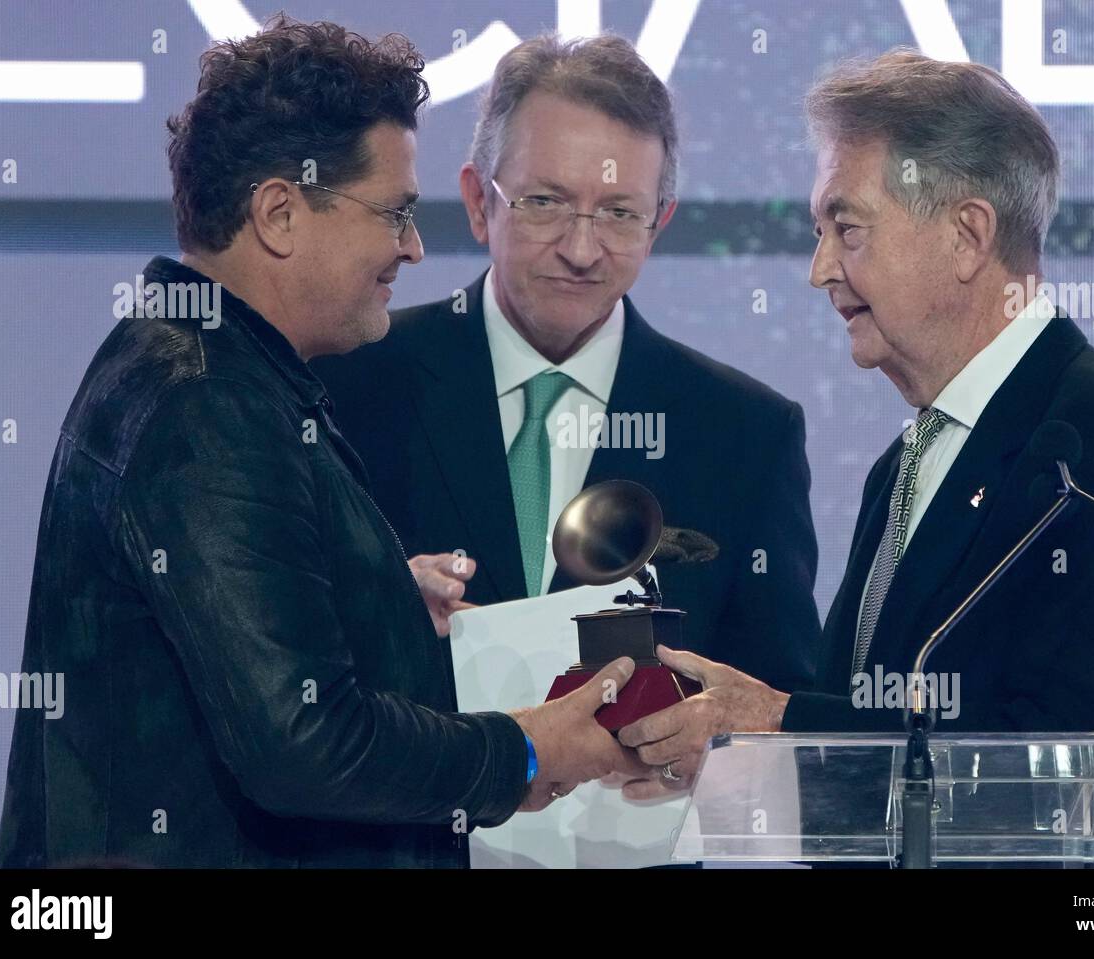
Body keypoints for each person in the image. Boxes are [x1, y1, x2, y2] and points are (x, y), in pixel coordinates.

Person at [0, 15, 645, 869]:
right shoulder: (207, 402)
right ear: (279, 212)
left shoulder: (209, 367)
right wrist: (522, 750)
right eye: (395, 214)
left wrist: (368, 598)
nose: (413, 248)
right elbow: (304, 742)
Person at [616, 49, 1094, 795]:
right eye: (818, 231)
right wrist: (740, 753)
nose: (820, 270)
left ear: (966, 236)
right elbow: (862, 727)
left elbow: (1085, 765)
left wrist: (782, 723)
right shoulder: (905, 461)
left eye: (849, 229)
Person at [311, 33, 819, 695]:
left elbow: (770, 717)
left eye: (618, 212)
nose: (582, 249)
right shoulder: (347, 384)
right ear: (477, 202)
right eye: (545, 203)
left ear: (658, 223)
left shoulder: (745, 434)